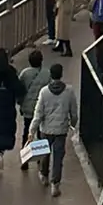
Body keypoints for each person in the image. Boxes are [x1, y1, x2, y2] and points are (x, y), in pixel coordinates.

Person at [27, 60, 76, 197]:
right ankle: (55, 184)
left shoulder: (44, 92)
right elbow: (74, 112)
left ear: (51, 75)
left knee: (44, 153)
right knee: (58, 157)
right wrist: (73, 124)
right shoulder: (69, 91)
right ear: (61, 74)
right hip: (61, 129)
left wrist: (32, 130)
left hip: (45, 129)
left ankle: (44, 175)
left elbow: (38, 113)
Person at [17, 46, 49, 137]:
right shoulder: (47, 73)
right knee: (41, 131)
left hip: (27, 106)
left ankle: (26, 144)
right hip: (42, 106)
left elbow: (20, 89)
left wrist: (20, 103)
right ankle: (41, 145)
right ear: (41, 60)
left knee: (27, 128)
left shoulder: (24, 73)